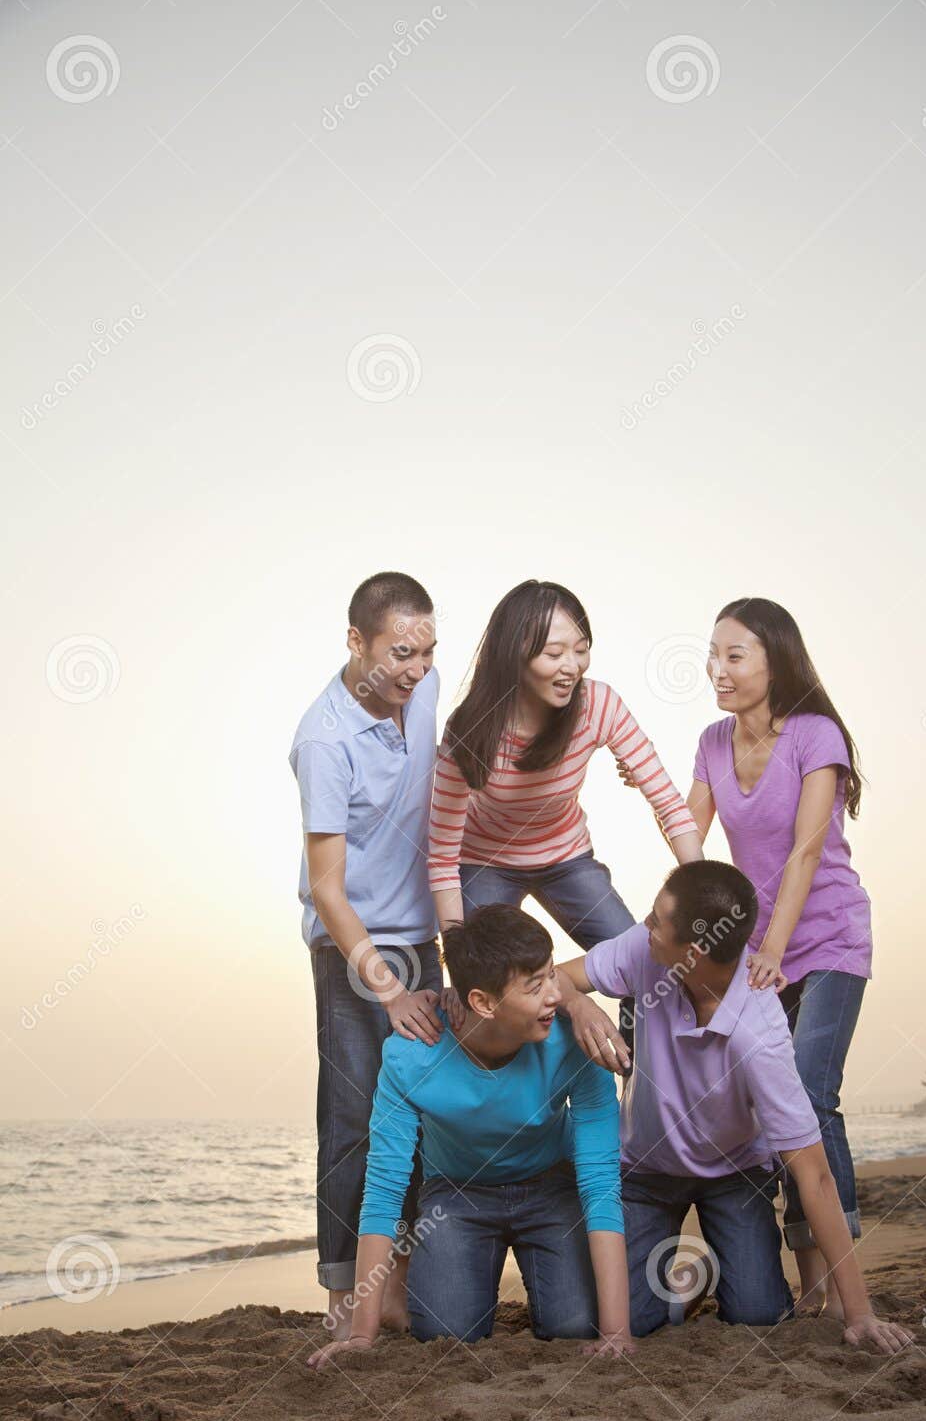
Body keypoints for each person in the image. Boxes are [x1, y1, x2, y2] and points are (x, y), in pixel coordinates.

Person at [556, 861, 911, 1355]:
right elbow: (555, 978)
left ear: (694, 952)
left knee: (757, 1317)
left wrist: (859, 1312)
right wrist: (581, 1005)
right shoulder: (645, 948)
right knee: (629, 1318)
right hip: (644, 1169)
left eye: (658, 921)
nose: (645, 925)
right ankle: (681, 1284)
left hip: (734, 1174)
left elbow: (813, 1175)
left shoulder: (760, 1036)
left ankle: (711, 1269)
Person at [306, 905, 634, 1367]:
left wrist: (617, 1332)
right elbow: (383, 1190)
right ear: (483, 1002)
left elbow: (601, 1183)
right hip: (456, 1197)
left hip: (549, 1187)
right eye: (535, 986)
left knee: (574, 1327)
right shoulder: (411, 1055)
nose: (554, 995)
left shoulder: (575, 1040)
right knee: (444, 1334)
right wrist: (362, 1333)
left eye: (552, 977)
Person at [681, 598, 874, 1318]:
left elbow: (803, 850)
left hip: (827, 941)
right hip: (755, 953)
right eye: (713, 654)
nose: (717, 670)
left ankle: (841, 1276)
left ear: (774, 659)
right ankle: (810, 1279)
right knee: (771, 1106)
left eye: (735, 655)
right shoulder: (709, 741)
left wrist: (769, 948)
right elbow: (688, 838)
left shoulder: (815, 736)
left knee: (809, 1092)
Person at [427, 582, 702, 1051]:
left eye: (581, 649)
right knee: (482, 994)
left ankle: (640, 1089)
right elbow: (441, 857)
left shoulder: (599, 704)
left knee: (650, 961)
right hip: (484, 862)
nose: (571, 666)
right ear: (514, 654)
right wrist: (458, 958)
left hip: (567, 858)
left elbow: (667, 802)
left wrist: (701, 894)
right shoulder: (468, 729)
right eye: (554, 653)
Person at [289, 572, 441, 1342]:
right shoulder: (323, 741)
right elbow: (326, 891)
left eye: (427, 651)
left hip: (422, 937)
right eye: (400, 653)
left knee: (418, 1112)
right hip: (350, 947)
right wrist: (388, 993)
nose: (416, 670)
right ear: (357, 643)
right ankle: (346, 1295)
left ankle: (401, 1282)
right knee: (353, 1120)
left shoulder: (428, 684)